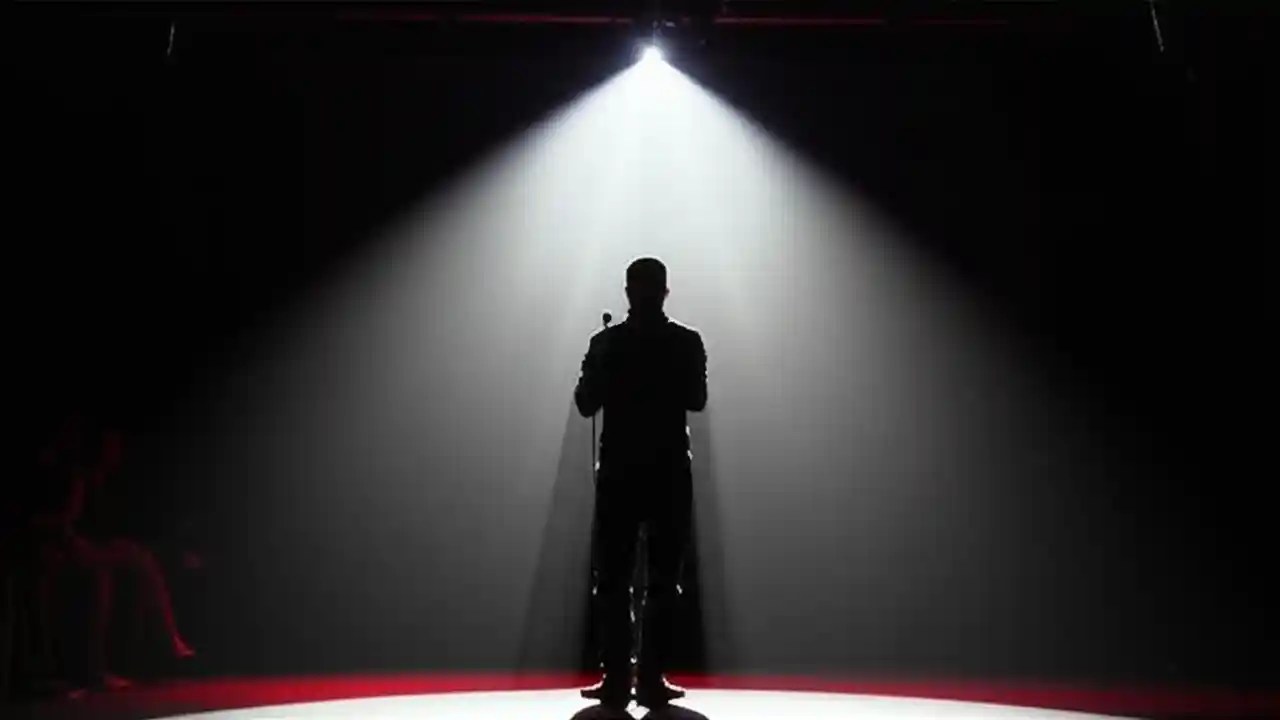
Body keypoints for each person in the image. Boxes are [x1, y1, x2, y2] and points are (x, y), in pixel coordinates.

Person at [574, 257, 708, 710]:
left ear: (628, 292)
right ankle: (649, 679)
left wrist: (600, 368)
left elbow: (584, 404)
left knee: (612, 579)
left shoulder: (606, 342)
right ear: (665, 292)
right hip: (669, 472)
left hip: (619, 474)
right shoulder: (686, 342)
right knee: (663, 581)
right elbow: (697, 399)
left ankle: (616, 680)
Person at [27, 420, 195, 692]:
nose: (117, 452)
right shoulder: (73, 477)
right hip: (59, 547)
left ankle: (166, 645)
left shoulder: (100, 482)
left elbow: (106, 527)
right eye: (111, 445)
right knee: (107, 570)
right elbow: (62, 525)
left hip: (80, 545)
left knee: (140, 558)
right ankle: (109, 664)